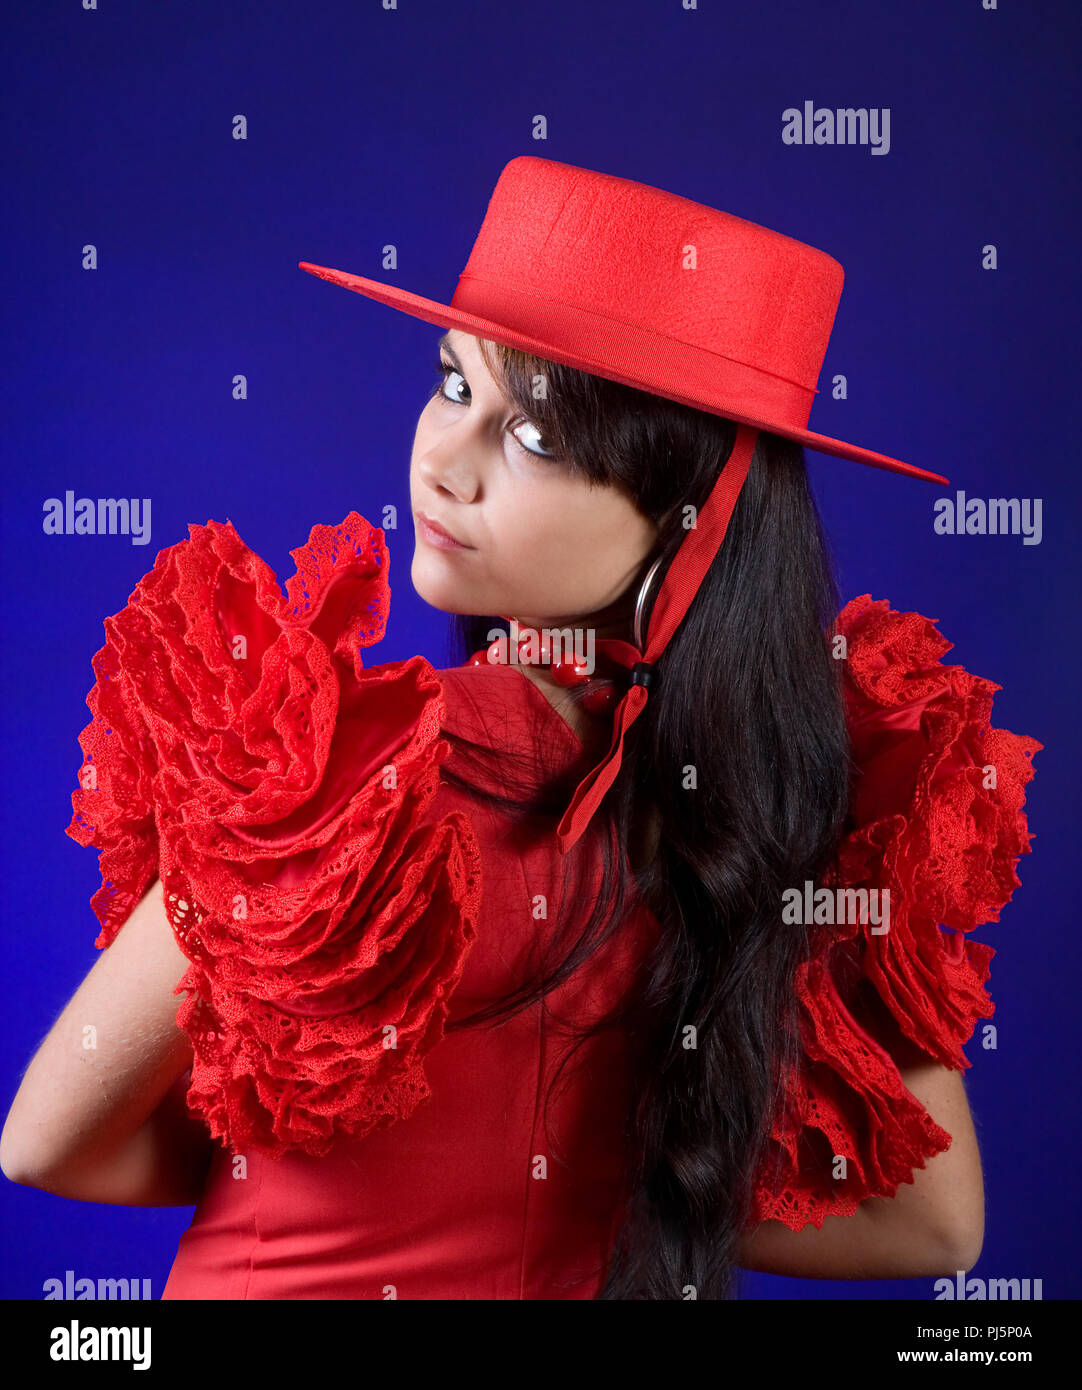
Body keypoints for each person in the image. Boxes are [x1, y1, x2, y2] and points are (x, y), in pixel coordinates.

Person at [1, 157, 1041, 1300]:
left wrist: (315, 1181)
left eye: (536, 438)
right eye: (452, 384)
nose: (442, 461)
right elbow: (932, 1231)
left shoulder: (344, 779)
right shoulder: (785, 798)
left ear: (686, 526)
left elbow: (46, 1142)